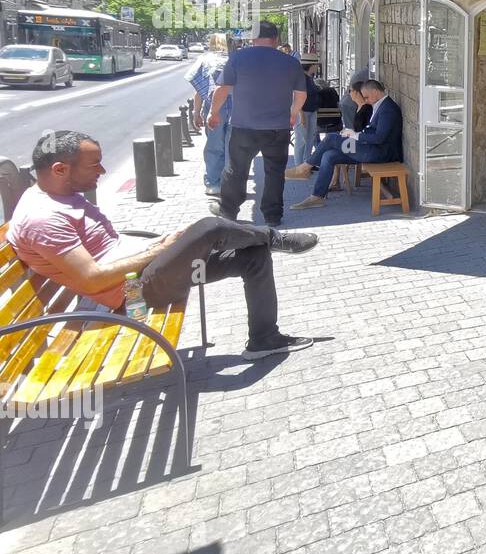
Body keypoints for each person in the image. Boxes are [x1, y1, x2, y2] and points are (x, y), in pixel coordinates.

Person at [7, 132, 317, 359]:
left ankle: (264, 339)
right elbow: (92, 278)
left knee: (253, 254)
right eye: (94, 165)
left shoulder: (61, 194)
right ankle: (273, 236)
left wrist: (164, 245)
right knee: (209, 226)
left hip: (142, 272)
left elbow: (108, 248)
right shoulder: (43, 219)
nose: (101, 171)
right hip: (130, 295)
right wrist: (159, 249)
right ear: (60, 169)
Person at [209, 20, 307, 228]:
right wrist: (293, 114)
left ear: (253, 38)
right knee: (274, 171)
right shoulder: (290, 62)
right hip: (277, 128)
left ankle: (229, 211)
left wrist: (213, 113)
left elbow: (222, 90)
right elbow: (301, 95)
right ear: (276, 40)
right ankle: (272, 216)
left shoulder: (237, 58)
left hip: (244, 127)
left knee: (236, 170)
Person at [286, 80, 403, 209]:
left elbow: (379, 138)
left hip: (379, 153)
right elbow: (371, 131)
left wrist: (355, 135)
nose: (366, 100)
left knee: (331, 138)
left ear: (375, 92)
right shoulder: (379, 105)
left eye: (366, 97)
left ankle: (303, 169)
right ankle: (317, 197)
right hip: (368, 149)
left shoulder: (388, 109)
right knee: (329, 155)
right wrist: (353, 133)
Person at [186, 33, 231, 198]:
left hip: (213, 106)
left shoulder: (204, 60)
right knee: (232, 147)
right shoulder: (234, 59)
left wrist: (196, 113)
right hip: (236, 106)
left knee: (214, 146)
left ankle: (213, 183)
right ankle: (231, 181)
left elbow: (199, 90)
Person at [293, 57, 323, 166]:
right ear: (310, 65)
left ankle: (307, 163)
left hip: (311, 110)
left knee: (310, 138)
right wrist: (301, 115)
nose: (317, 67)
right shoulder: (301, 77)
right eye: (315, 65)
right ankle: (298, 165)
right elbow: (296, 96)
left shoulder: (309, 77)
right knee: (301, 139)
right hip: (303, 112)